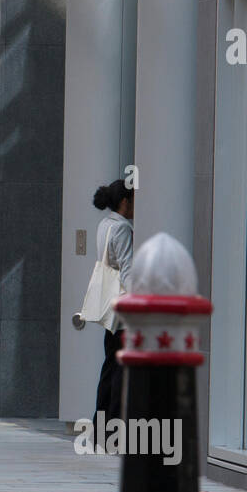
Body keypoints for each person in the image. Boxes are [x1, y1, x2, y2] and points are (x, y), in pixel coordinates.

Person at [92, 178, 134, 432]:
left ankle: (100, 425)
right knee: (120, 369)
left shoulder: (104, 225)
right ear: (124, 202)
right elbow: (128, 271)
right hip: (123, 310)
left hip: (108, 307)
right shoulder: (123, 229)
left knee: (109, 366)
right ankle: (115, 429)